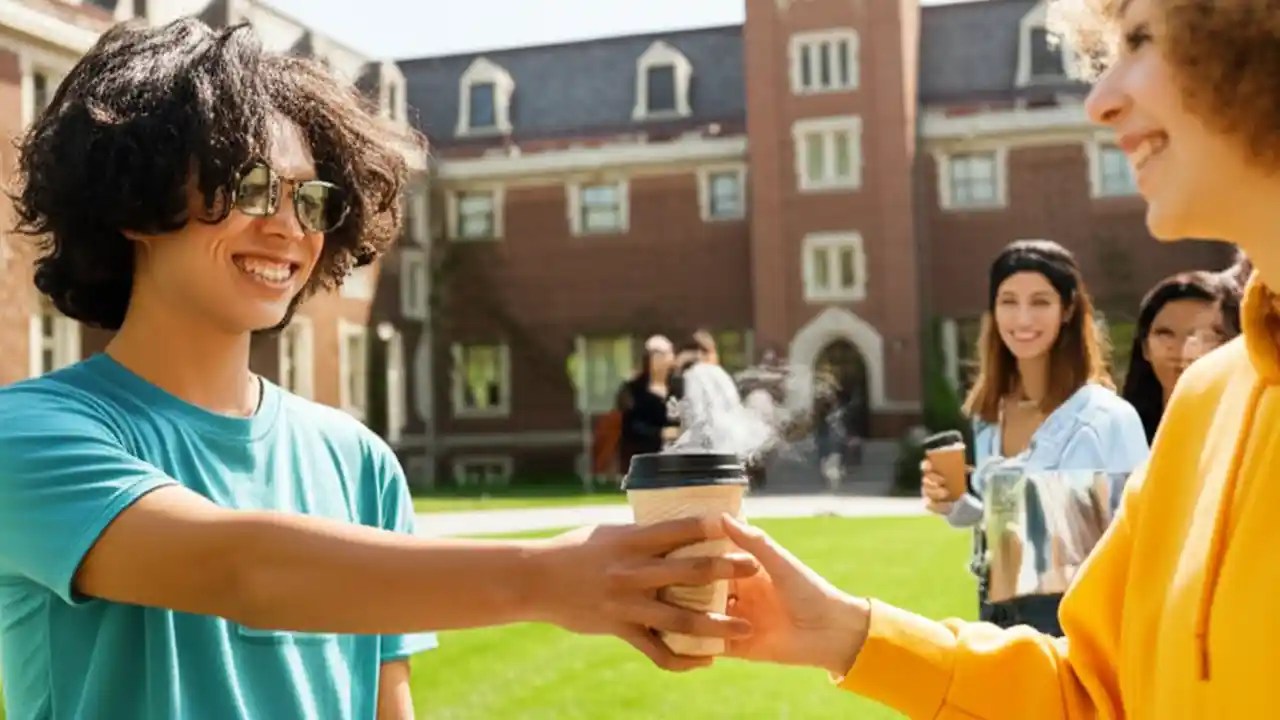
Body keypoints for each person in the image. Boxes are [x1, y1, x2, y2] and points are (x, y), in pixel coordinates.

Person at [0, 20, 757, 720]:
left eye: (314, 200)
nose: (290, 226)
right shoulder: (28, 435)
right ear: (136, 198)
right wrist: (550, 577)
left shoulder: (356, 461)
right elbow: (245, 573)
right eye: (252, 186)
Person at [720, 0, 1280, 715]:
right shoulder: (1206, 405)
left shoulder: (1115, 415)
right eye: (1007, 303)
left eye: (1142, 40)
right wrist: (841, 631)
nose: (1100, 100)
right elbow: (1089, 690)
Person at [921, 239, 1149, 634]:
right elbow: (1003, 530)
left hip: (1079, 622)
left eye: (1040, 302)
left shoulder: (1108, 417)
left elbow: (1142, 540)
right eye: (1008, 301)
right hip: (999, 615)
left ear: (1068, 310)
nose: (1022, 318)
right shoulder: (989, 417)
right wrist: (955, 503)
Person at [1121, 270, 1240, 442]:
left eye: (1204, 336)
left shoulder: (1256, 433)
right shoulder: (1120, 432)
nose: (1182, 349)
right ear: (1145, 346)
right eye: (1165, 334)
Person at [614, 334, 679, 472]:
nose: (660, 359)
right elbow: (630, 426)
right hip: (646, 461)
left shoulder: (679, 388)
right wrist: (660, 433)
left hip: (677, 459)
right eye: (655, 354)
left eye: (664, 354)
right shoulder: (633, 389)